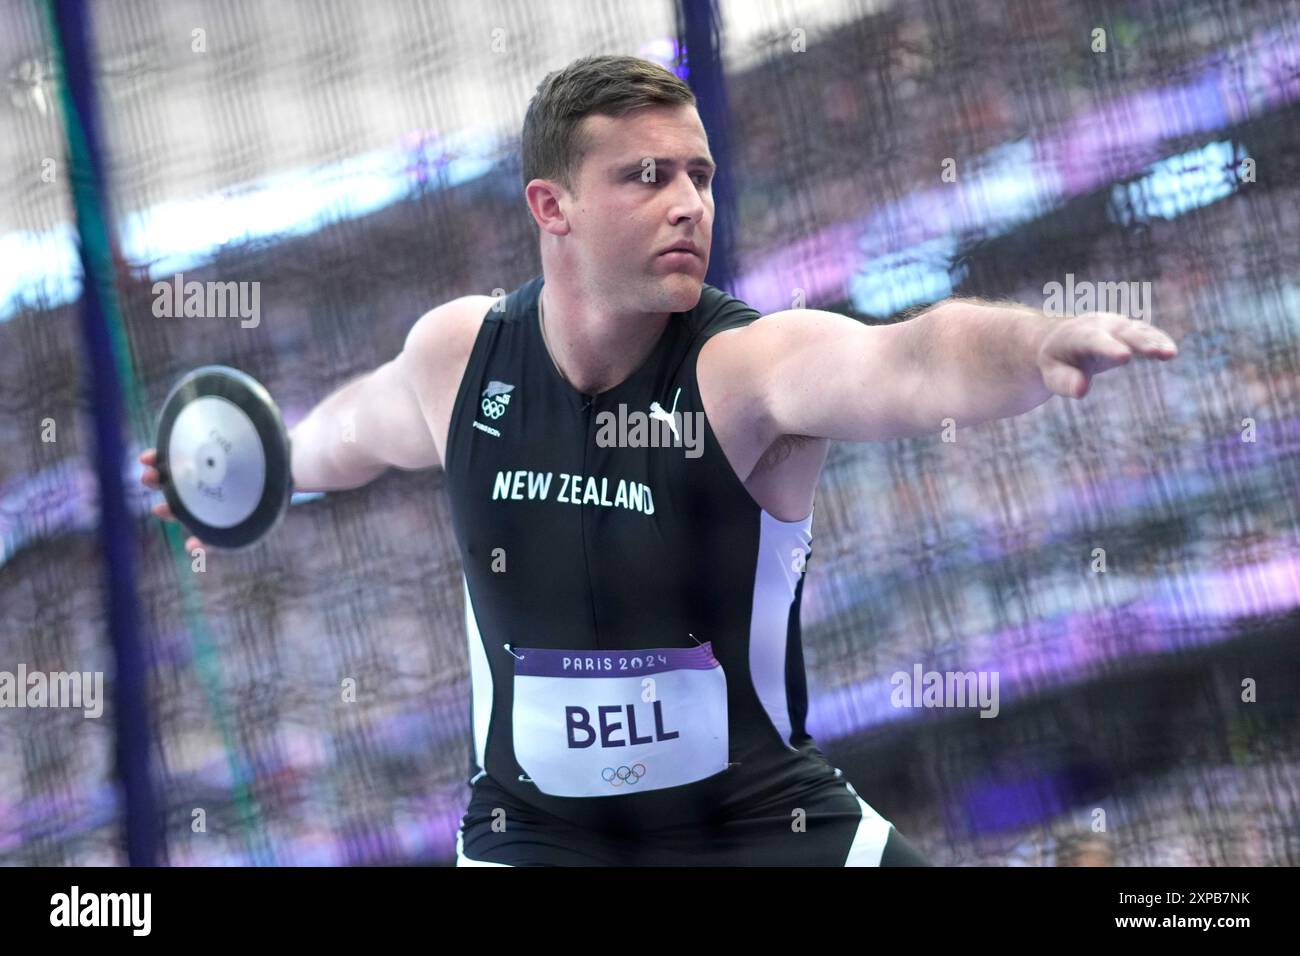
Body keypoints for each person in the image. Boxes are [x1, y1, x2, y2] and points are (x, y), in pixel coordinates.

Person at [141, 54, 1177, 866]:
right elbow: (335, 442)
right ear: (552, 207)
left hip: (761, 820)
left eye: (698, 175)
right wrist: (229, 477)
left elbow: (908, 355)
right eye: (646, 175)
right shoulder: (460, 358)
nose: (689, 201)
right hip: (534, 838)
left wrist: (1032, 343)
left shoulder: (745, 367)